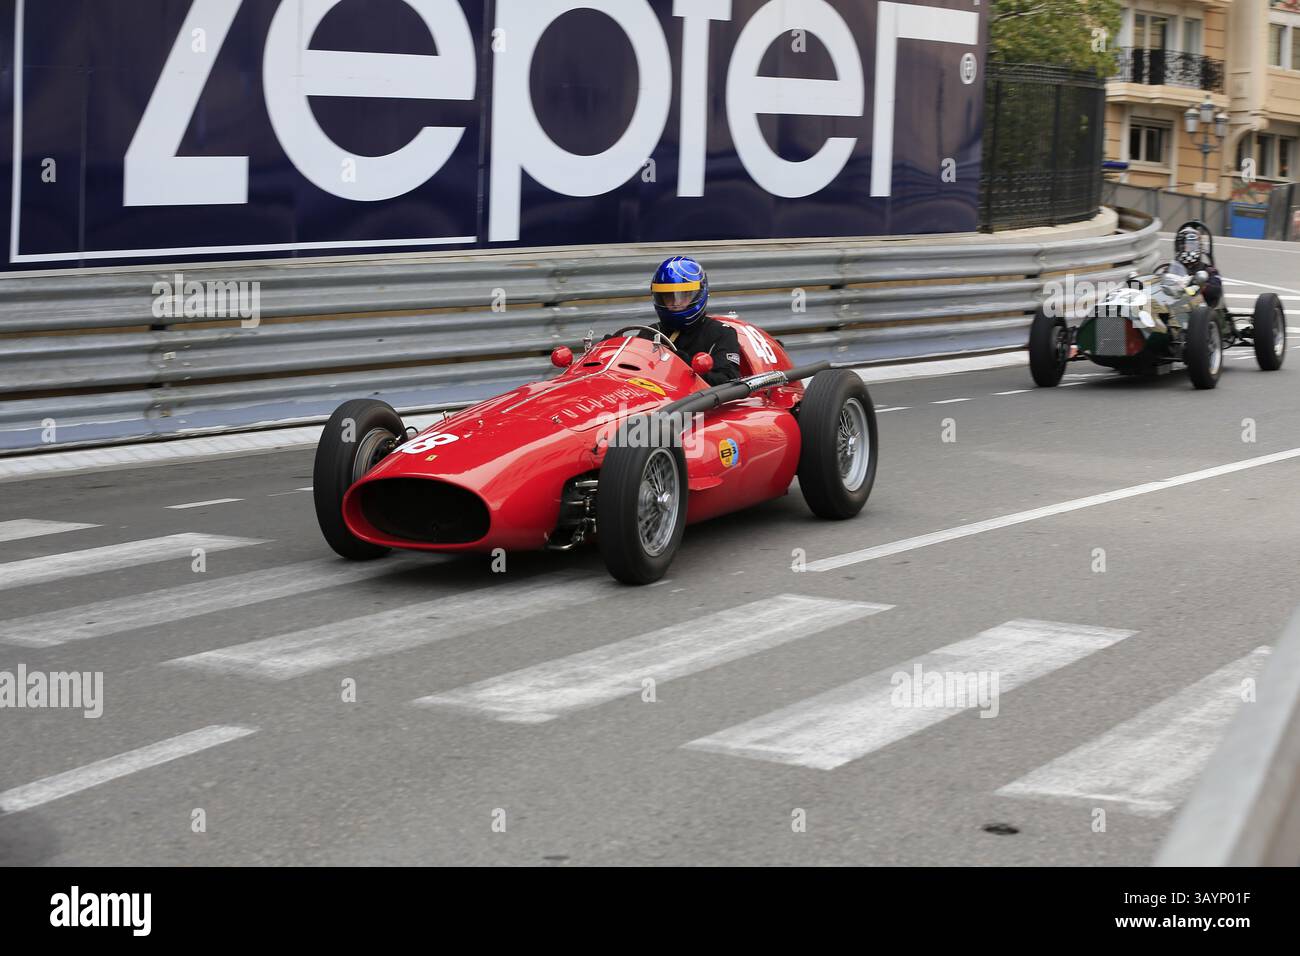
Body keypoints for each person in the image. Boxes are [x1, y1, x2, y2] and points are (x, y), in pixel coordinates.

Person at [644, 256, 742, 386]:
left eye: (683, 296)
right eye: (668, 296)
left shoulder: (721, 334)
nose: (675, 303)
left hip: (696, 403)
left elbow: (729, 382)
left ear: (699, 294)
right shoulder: (650, 333)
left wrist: (687, 367)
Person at [1173, 226, 1222, 307]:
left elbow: (1216, 290)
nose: (1186, 249)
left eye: (1190, 245)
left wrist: (1200, 286)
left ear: (1198, 247)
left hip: (1203, 312)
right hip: (1175, 308)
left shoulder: (1209, 270)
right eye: (1182, 246)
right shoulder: (1173, 269)